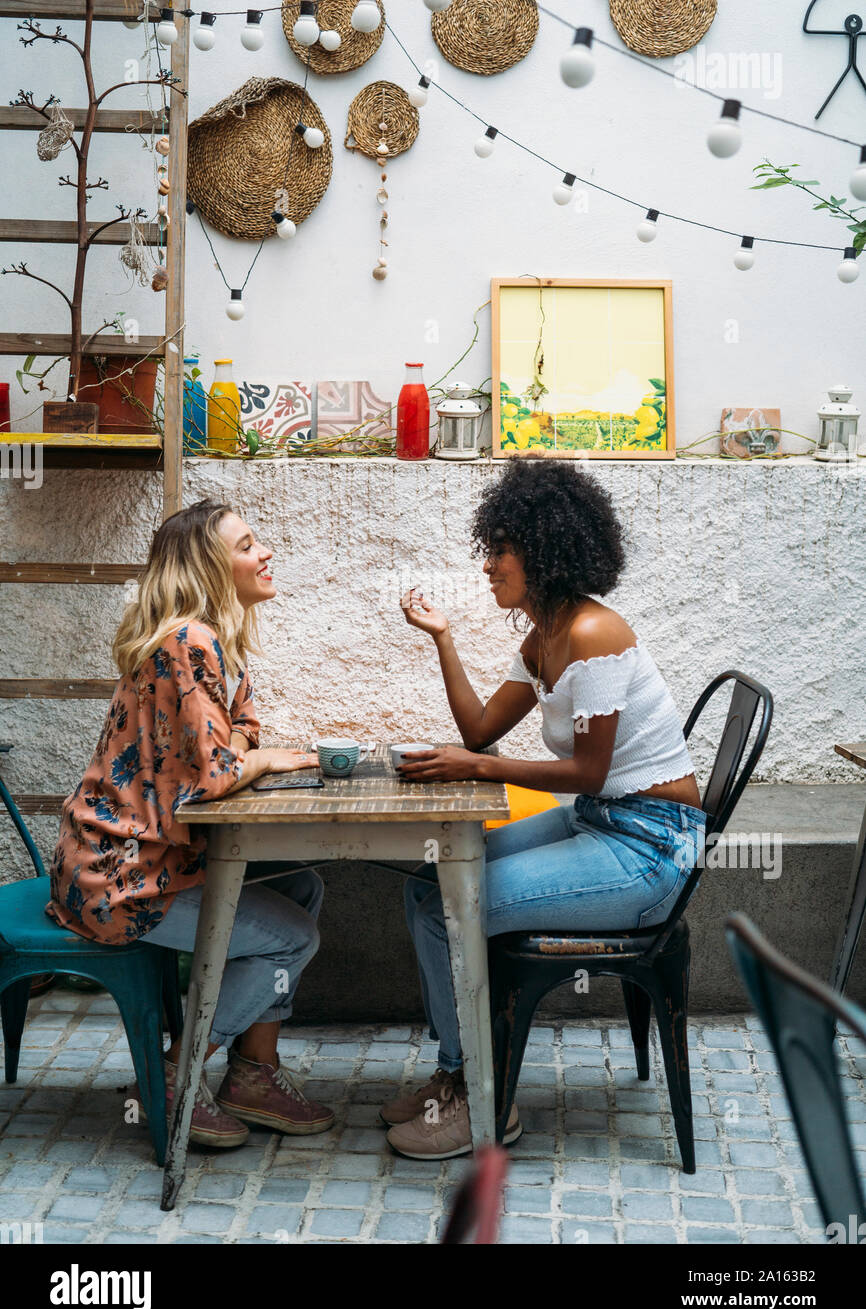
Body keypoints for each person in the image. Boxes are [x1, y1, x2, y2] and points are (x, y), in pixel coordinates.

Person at [381, 459, 707, 1160]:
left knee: (452, 907)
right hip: (603, 824)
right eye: (491, 548)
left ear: (546, 550)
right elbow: (478, 732)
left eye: (502, 551)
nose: (489, 566)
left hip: (652, 849)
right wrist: (442, 637)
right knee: (424, 887)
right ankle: (457, 1070)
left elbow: (586, 771)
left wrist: (479, 768)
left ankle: (481, 1099)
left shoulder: (592, 633)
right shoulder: (543, 637)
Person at [47, 498, 333, 1149]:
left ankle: (253, 1076)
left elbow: (236, 742)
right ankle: (170, 1077)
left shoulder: (215, 641)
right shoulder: (189, 641)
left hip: (143, 860)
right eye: (247, 545)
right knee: (293, 937)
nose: (265, 553)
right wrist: (270, 758)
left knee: (299, 886)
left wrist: (254, 753)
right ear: (209, 567)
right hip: (119, 879)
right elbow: (217, 773)